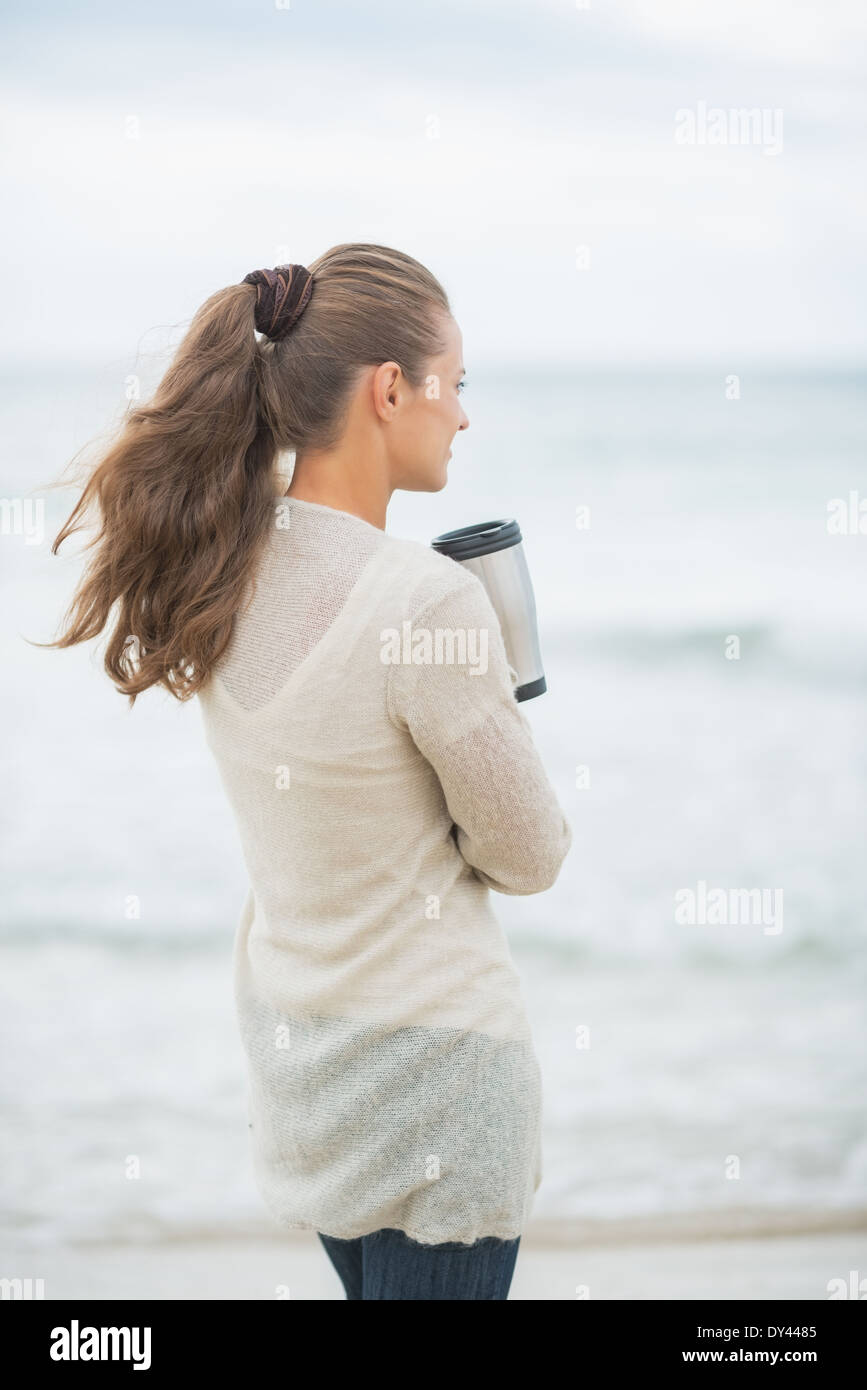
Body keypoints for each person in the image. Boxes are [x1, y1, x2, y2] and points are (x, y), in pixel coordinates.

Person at [49, 243, 572, 1300]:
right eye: (454, 385)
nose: (463, 416)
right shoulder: (425, 600)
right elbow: (530, 855)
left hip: (311, 1085)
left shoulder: (216, 572)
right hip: (442, 1092)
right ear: (390, 391)